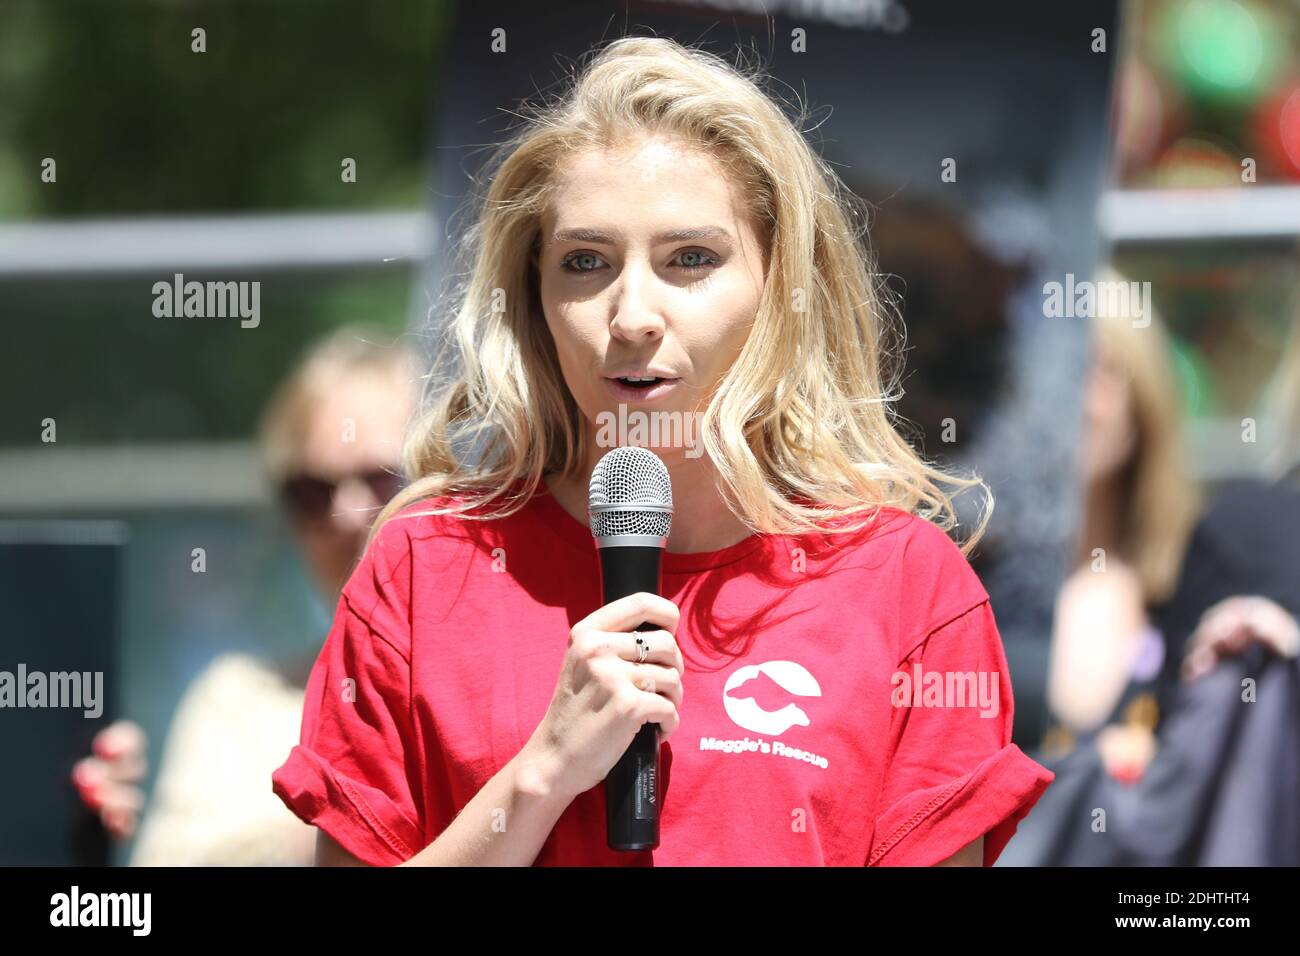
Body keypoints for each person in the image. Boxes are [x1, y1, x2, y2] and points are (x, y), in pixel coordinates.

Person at [271, 36, 1055, 867]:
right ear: (535, 299)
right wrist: (542, 773)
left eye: (690, 259)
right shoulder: (420, 569)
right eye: (585, 262)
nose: (633, 314)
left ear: (780, 289)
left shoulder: (905, 586)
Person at [72, 325, 418, 864]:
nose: (343, 514)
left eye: (379, 480)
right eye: (311, 493)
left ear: (449, 478)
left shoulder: (521, 670)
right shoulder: (236, 699)